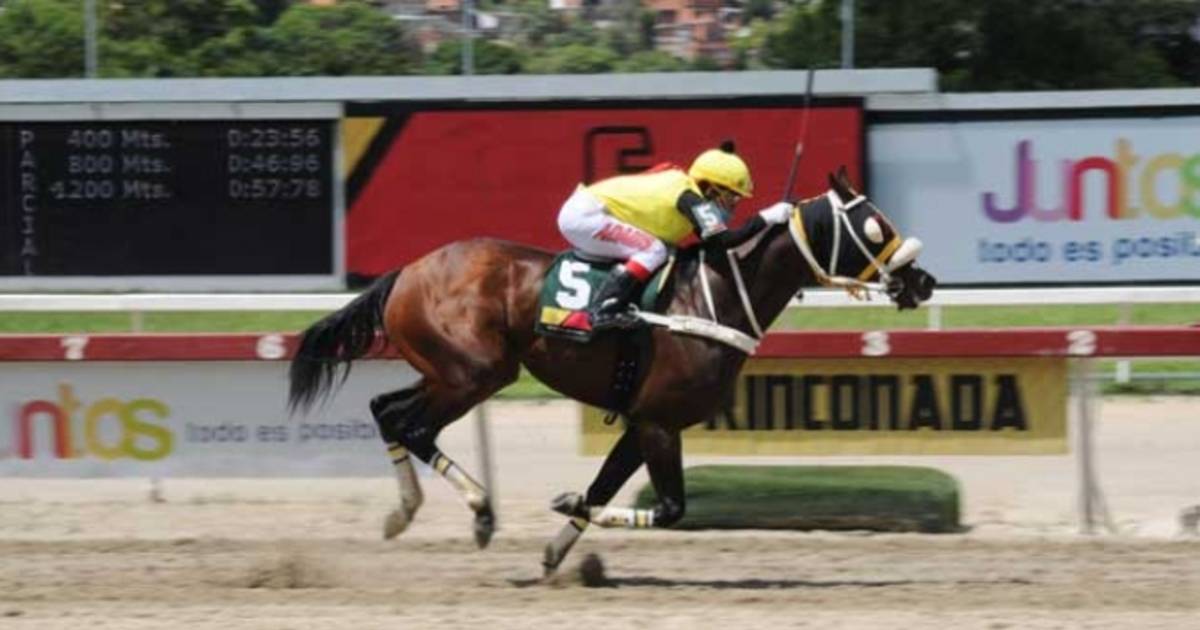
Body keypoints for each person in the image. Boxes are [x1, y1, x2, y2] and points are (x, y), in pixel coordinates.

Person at [556, 141, 795, 331]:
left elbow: (712, 241)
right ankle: (604, 308)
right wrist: (767, 217)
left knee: (660, 249)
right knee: (653, 250)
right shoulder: (689, 198)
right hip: (585, 216)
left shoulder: (688, 190)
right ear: (710, 188)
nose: (733, 205)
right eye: (730, 197)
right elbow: (724, 241)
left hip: (588, 212)